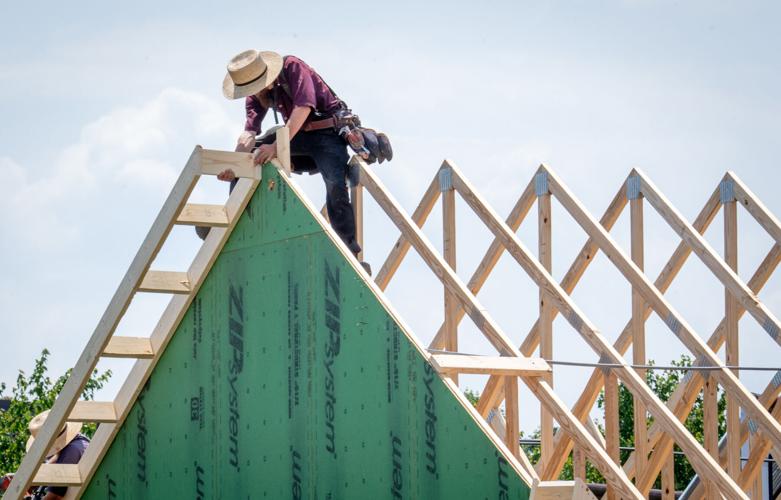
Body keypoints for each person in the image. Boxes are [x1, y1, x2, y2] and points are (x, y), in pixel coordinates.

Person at [217, 49, 390, 272]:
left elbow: (303, 108)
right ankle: (235, 223)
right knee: (253, 156)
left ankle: (351, 256)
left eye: (256, 88)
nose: (254, 93)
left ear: (266, 78)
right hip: (296, 137)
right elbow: (248, 133)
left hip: (327, 136)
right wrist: (235, 165)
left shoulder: (292, 67)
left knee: (335, 185)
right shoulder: (255, 94)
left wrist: (277, 147)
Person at [1, 410, 90, 500]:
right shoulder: (77, 443)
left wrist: (25, 497)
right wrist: (22, 478)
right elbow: (53, 463)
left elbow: (54, 497)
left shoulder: (71, 453)